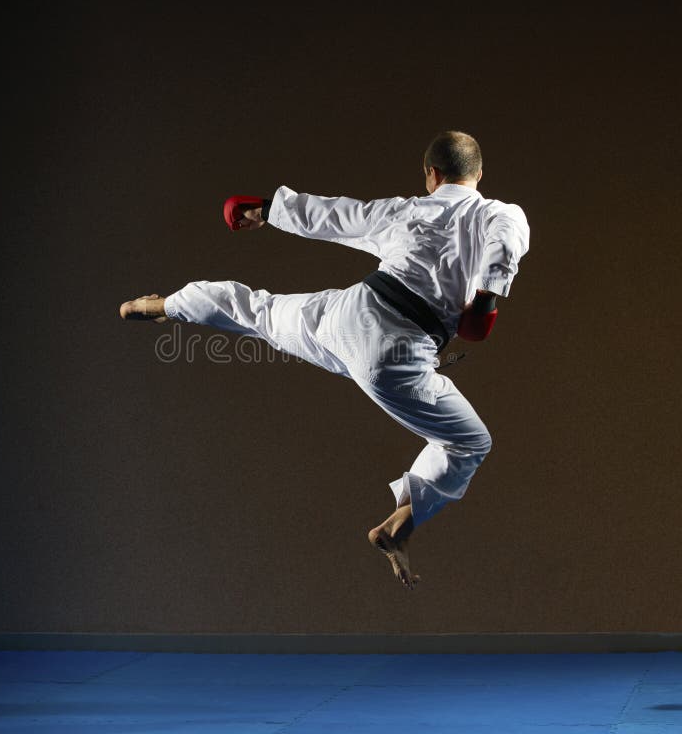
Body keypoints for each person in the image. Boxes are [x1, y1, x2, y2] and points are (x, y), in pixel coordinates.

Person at [120, 131, 530, 590]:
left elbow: (337, 214)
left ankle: (164, 305)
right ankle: (398, 528)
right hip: (398, 354)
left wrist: (266, 209)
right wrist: (486, 298)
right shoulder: (502, 214)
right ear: (479, 173)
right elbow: (500, 255)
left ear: (432, 176)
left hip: (351, 313)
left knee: (260, 311)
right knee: (470, 444)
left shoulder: (408, 210)